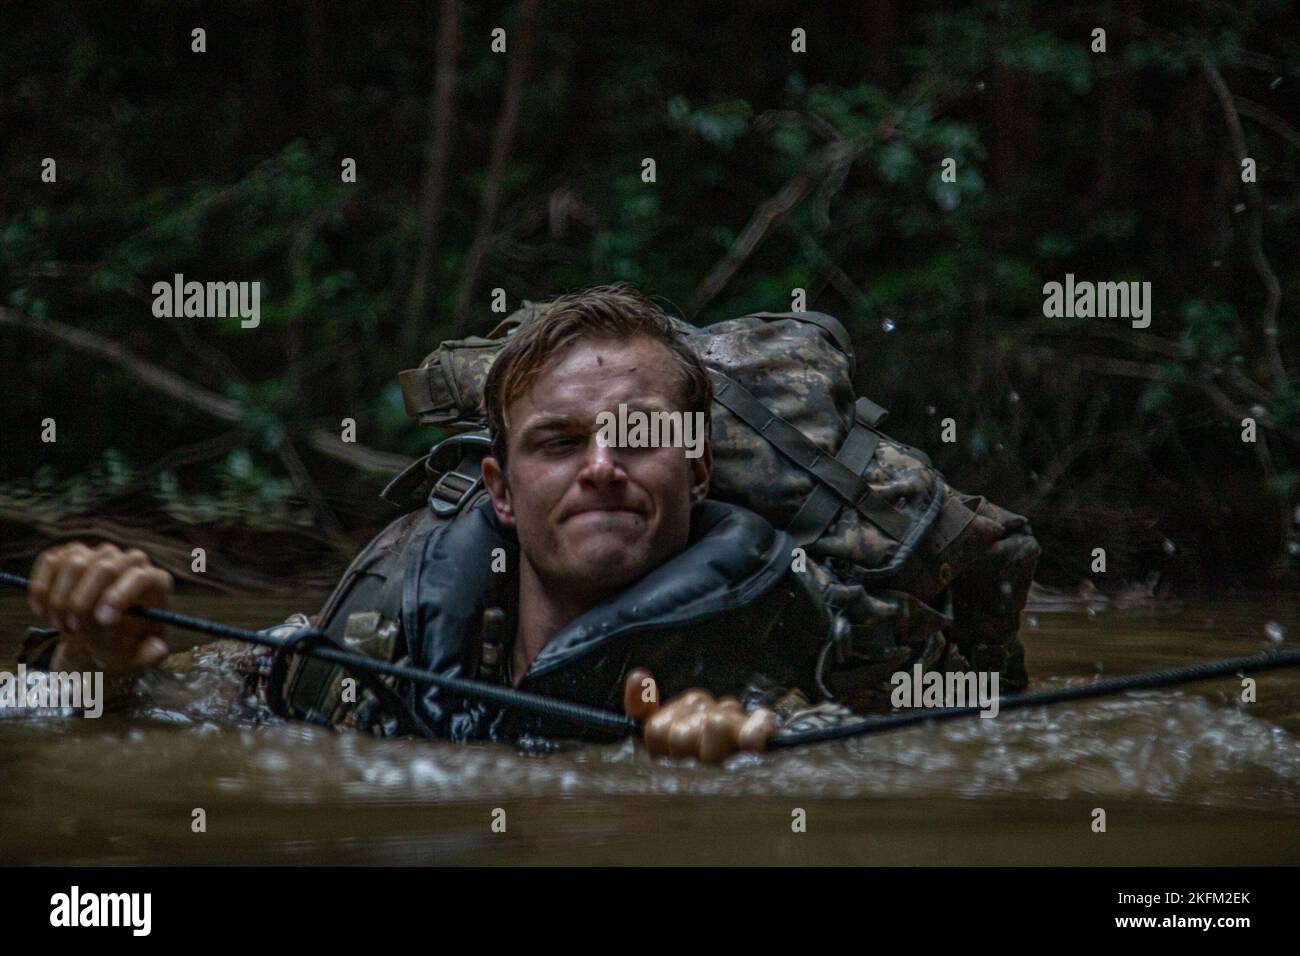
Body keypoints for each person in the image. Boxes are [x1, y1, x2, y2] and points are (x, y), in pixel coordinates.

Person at [22, 287, 1040, 762]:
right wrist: (92, 662)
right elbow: (204, 720)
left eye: (636, 436)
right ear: (500, 490)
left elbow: (890, 750)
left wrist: (743, 768)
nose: (600, 467)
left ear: (693, 467)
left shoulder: (797, 623)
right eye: (558, 442)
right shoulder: (396, 616)